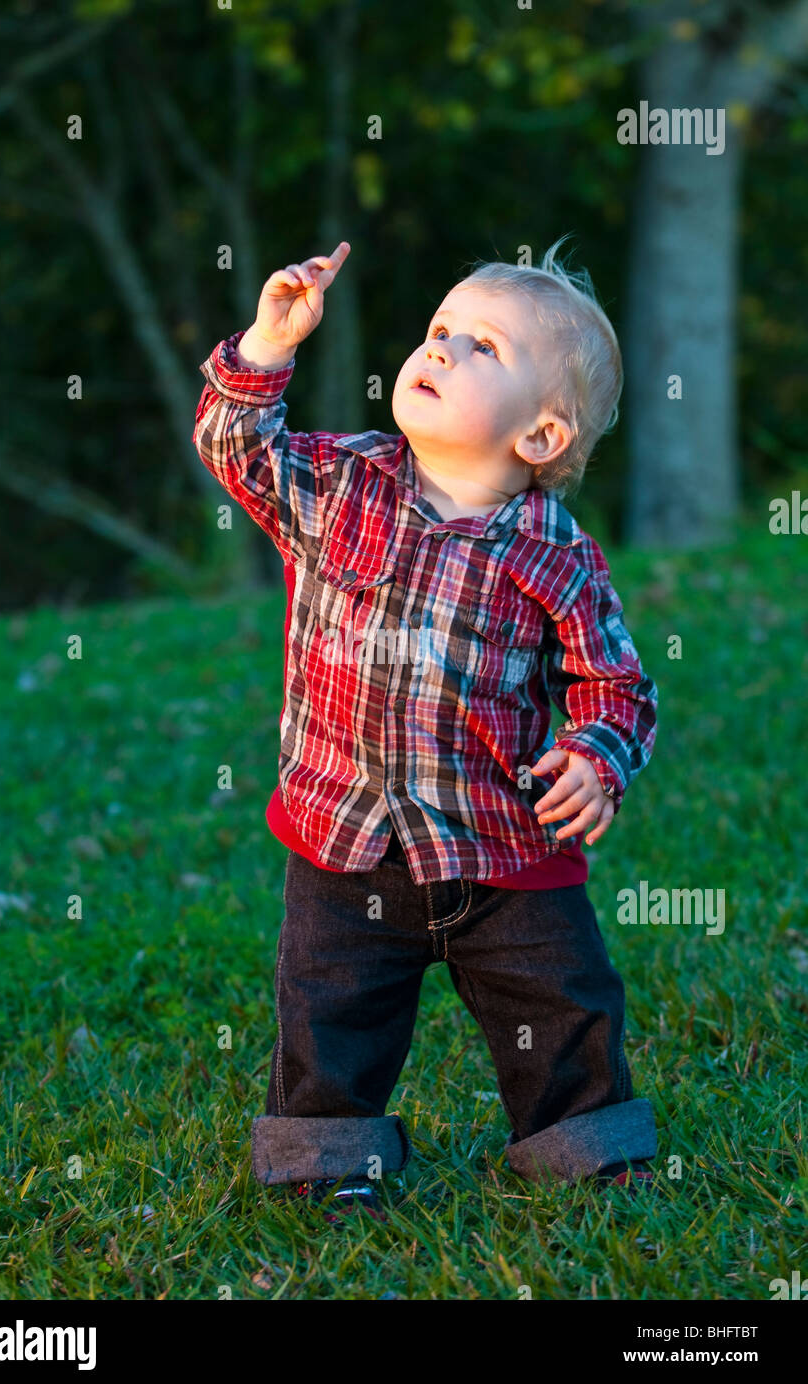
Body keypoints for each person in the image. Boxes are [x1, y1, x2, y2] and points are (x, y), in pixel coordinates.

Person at [192, 238, 659, 1222]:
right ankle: (326, 1155)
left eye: (480, 345)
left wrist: (594, 753)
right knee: (329, 1009)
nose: (439, 349)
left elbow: (614, 679)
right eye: (439, 330)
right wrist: (269, 345)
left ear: (538, 436)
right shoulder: (342, 485)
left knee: (560, 1003)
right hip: (346, 837)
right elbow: (239, 452)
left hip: (502, 847)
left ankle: (582, 1147)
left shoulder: (553, 555)